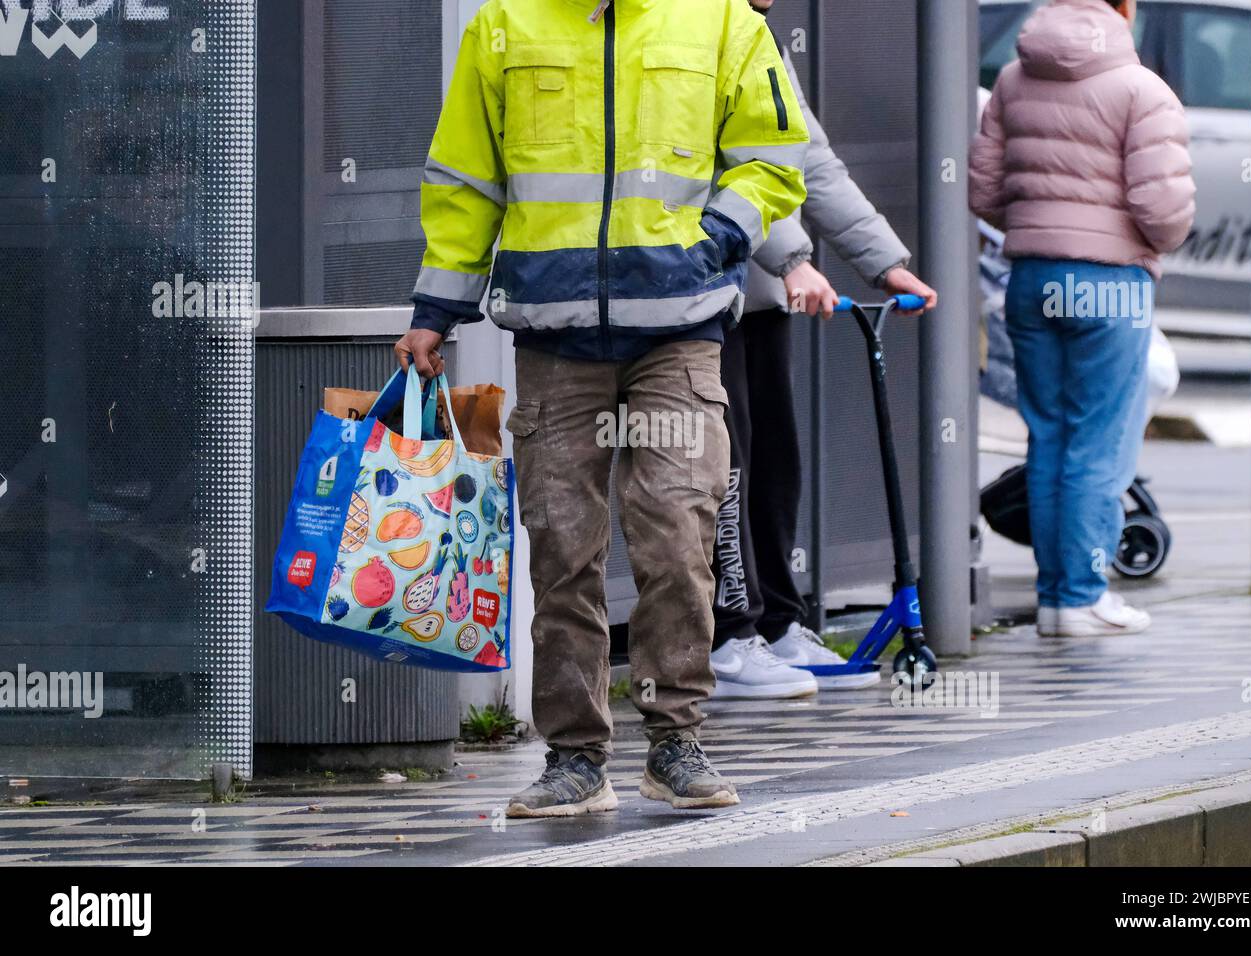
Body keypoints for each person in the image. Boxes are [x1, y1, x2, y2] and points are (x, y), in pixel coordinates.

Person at [395, 0, 810, 815]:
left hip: (680, 332)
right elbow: (465, 178)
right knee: (560, 547)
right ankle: (576, 757)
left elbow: (773, 157)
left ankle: (673, 739)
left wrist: (715, 240)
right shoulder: (504, 24)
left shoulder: (724, 19)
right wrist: (434, 310)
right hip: (555, 337)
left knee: (680, 526)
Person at [708, 0, 937, 699]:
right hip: (706, 292)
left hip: (763, 293)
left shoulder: (758, 31)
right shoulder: (695, 23)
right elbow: (724, 154)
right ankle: (729, 639)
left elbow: (804, 154)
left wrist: (883, 260)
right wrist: (793, 258)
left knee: (775, 460)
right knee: (729, 467)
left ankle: (776, 624)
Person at [969, 0, 1194, 637]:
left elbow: (983, 191)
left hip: (1031, 278)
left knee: (1050, 439)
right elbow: (1164, 209)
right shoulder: (1142, 90)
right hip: (1109, 282)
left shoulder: (1012, 81)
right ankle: (1083, 595)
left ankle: (1053, 598)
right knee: (1099, 444)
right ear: (1121, 10)